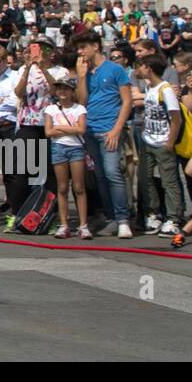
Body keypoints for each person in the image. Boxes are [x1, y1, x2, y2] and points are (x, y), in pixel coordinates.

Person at [73, 29, 134, 238]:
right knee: (100, 176)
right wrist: (81, 77)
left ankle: (123, 218)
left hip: (110, 128)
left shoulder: (115, 69)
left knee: (113, 173)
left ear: (95, 46)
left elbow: (127, 100)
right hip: (91, 128)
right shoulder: (84, 72)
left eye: (83, 47)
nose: (80, 52)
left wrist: (117, 129)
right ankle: (111, 217)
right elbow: (82, 102)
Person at [135, 53, 185, 237]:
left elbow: (176, 118)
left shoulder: (166, 90)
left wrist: (170, 143)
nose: (138, 69)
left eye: (141, 66)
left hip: (163, 141)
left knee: (169, 181)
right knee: (146, 179)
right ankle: (153, 213)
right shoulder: (150, 88)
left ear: (149, 68)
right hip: (148, 139)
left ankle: (173, 218)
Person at [44, 72, 91, 239]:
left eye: (66, 88)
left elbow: (81, 129)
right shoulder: (51, 109)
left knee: (79, 187)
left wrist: (60, 129)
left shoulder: (79, 108)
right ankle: (64, 224)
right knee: (62, 187)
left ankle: (83, 225)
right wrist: (66, 129)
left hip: (75, 148)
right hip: (59, 147)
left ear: (72, 91)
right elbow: (49, 131)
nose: (63, 92)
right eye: (60, 88)